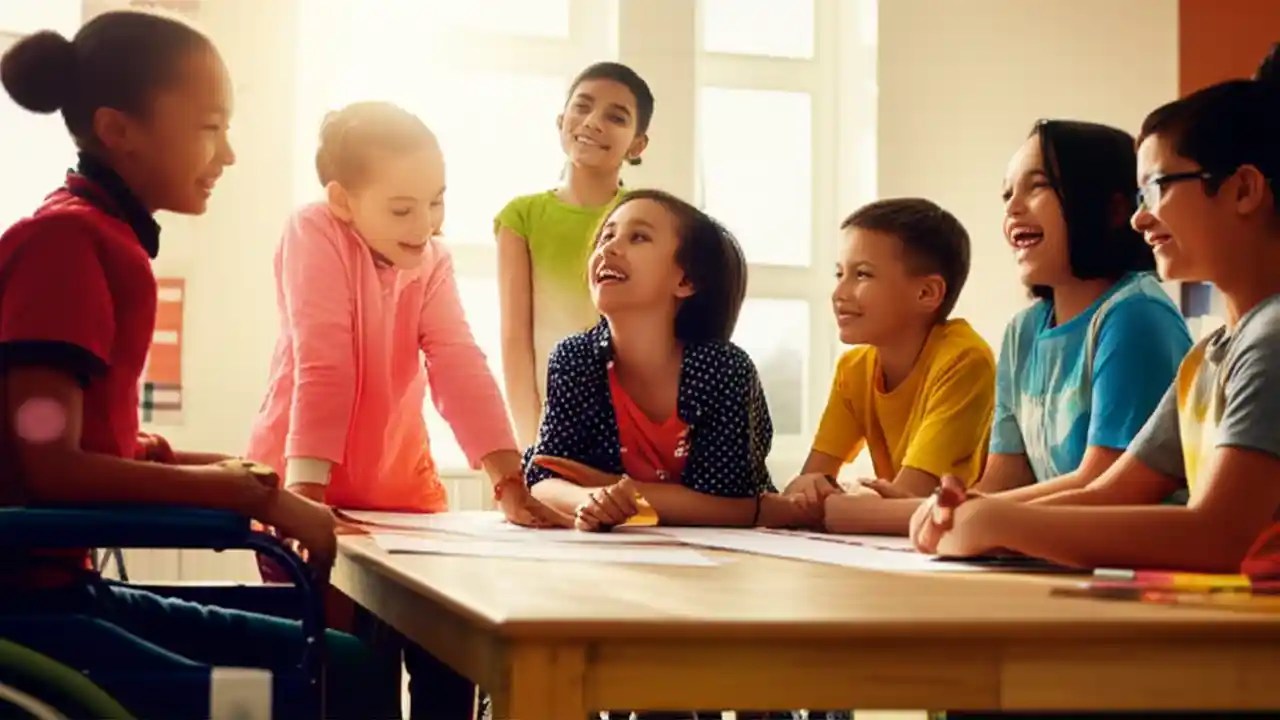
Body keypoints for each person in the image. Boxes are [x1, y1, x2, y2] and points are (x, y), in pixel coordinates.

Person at [0, 12, 397, 719]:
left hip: (61, 589)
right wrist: (247, 497)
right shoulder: (63, 244)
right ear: (118, 130)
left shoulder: (98, 236)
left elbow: (93, 446)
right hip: (28, 606)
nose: (229, 154)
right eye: (211, 127)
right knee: (334, 680)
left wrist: (242, 473)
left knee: (350, 663)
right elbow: (48, 467)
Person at [912, 46, 1280, 579]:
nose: (1139, 219)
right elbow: (1110, 491)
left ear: (1243, 189)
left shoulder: (1271, 338)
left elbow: (1217, 536)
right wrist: (977, 515)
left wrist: (1005, 524)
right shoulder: (1209, 356)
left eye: (1156, 188)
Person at [245, 101, 559, 719]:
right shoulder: (314, 230)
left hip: (402, 498)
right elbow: (324, 358)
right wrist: (305, 495)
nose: (426, 223)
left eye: (436, 202)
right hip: (304, 487)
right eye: (402, 209)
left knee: (449, 659)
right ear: (343, 201)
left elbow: (458, 361)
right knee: (347, 680)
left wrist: (508, 481)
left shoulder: (433, 258)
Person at [812, 122, 1193, 536]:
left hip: (1133, 551)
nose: (1013, 208)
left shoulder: (1135, 315)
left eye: (1037, 186)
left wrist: (894, 513)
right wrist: (944, 508)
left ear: (1114, 209)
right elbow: (1001, 482)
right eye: (1007, 194)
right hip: (1056, 547)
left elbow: (1103, 486)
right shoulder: (1022, 333)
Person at [525, 189, 818, 532]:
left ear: (685, 280)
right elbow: (544, 475)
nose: (609, 248)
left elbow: (736, 507)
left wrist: (614, 488)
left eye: (638, 237)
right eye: (607, 236)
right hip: (620, 551)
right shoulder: (574, 359)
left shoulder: (724, 370)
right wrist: (590, 499)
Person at [783, 199, 996, 534]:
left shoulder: (965, 360)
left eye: (862, 274)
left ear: (926, 293)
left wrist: (834, 501)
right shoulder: (854, 368)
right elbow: (801, 491)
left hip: (962, 539)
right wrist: (812, 491)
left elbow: (912, 496)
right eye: (840, 274)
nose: (839, 293)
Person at [496, 62, 653, 447]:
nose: (593, 122)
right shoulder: (521, 216)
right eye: (582, 106)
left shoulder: (648, 217)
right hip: (550, 428)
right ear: (561, 121)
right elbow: (516, 342)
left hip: (633, 429)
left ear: (637, 144)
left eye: (616, 117)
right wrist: (533, 447)